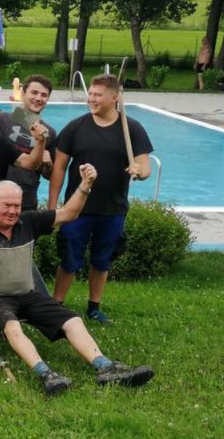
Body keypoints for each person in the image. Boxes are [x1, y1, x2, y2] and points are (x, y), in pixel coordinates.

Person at [0, 176, 154, 396]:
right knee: (12, 326)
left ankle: (105, 367)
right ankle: (46, 374)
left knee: (72, 320)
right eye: (7, 205)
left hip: (26, 295)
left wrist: (84, 187)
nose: (12, 211)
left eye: (17, 205)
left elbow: (68, 214)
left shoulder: (28, 221)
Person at [48, 74, 153, 326]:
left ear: (115, 98)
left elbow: (145, 165)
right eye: (91, 94)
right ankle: (56, 305)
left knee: (102, 260)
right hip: (76, 210)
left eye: (97, 95)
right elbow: (59, 168)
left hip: (113, 209)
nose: (91, 99)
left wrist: (140, 171)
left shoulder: (132, 128)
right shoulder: (76, 127)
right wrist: (53, 208)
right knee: (69, 259)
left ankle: (94, 307)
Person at [0, 75, 57, 211]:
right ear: (22, 93)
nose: (38, 98)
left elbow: (49, 175)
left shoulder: (49, 133)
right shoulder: (1, 120)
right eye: (34, 92)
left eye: (44, 95)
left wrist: (49, 164)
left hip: (26, 202)